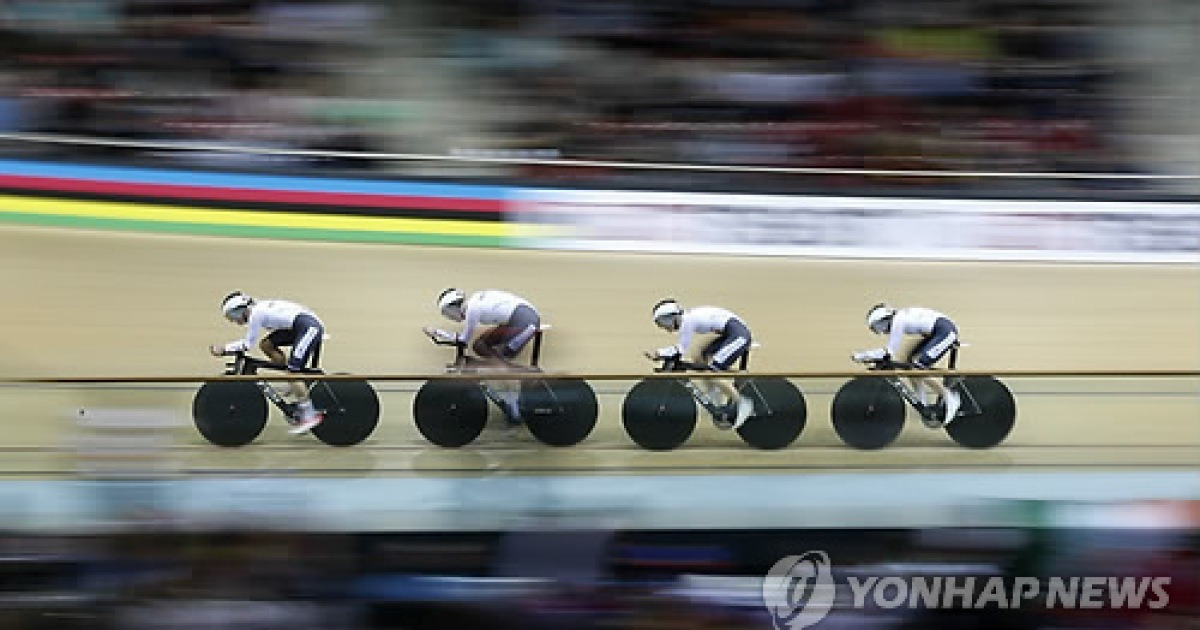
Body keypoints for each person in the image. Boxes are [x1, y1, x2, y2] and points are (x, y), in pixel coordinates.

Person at [209, 291, 326, 435]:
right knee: (266, 345)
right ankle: (294, 382)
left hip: (309, 328)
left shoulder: (256, 313)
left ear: (241, 309)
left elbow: (247, 344)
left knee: (292, 373)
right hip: (301, 326)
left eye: (232, 316)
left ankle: (310, 415)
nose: (234, 321)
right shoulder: (259, 309)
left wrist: (224, 348)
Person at [424, 288, 542, 423]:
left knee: (500, 362)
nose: (449, 317)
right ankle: (514, 373)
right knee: (480, 345)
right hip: (521, 318)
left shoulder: (472, 309)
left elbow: (463, 340)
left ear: (452, 307)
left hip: (525, 322)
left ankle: (513, 404)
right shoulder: (473, 304)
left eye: (446, 313)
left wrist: (437, 332)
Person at [645, 298, 753, 430]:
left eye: (663, 323)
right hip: (732, 332)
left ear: (672, 317)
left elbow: (680, 350)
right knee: (699, 357)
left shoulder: (687, 321)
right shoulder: (689, 318)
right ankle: (714, 393)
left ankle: (743, 403)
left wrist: (658, 353)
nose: (664, 328)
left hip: (738, 335)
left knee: (713, 371)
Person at [852, 302, 961, 425]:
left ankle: (949, 397)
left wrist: (863, 355)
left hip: (945, 332)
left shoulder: (898, 321)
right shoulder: (900, 317)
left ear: (883, 320)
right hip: (939, 331)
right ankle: (923, 405)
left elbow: (889, 352)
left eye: (877, 328)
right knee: (911, 366)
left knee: (917, 369)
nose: (881, 332)